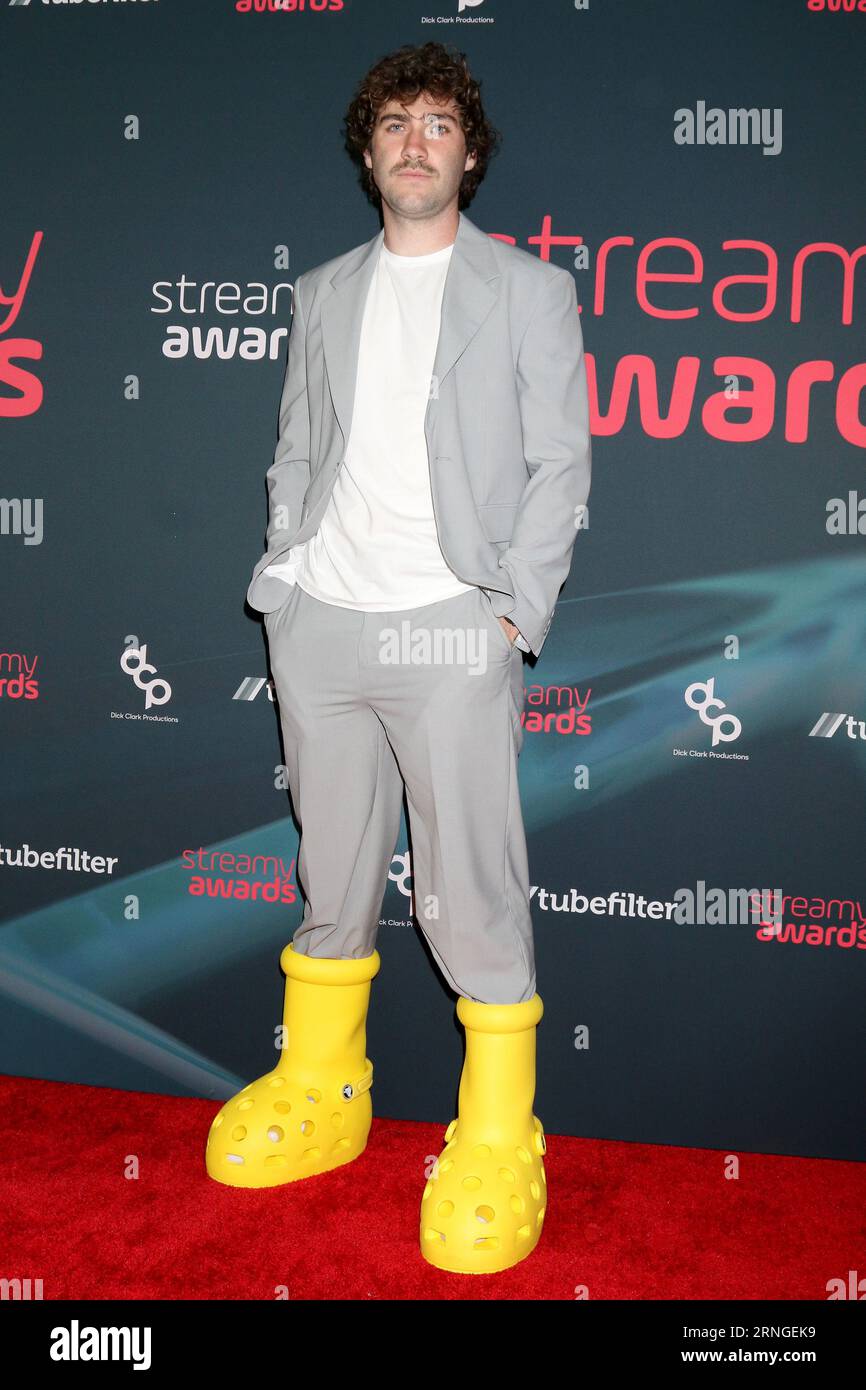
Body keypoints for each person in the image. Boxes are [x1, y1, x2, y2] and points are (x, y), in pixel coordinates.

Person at [206, 40, 592, 1277]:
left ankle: (494, 1129)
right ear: (366, 151)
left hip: (452, 622)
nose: (414, 141)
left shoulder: (525, 289)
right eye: (393, 124)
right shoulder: (320, 291)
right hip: (321, 619)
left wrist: (508, 615)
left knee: (465, 886)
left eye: (438, 123)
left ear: (466, 153)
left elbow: (557, 465)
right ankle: (323, 1087)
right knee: (330, 867)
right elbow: (296, 449)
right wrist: (285, 576)